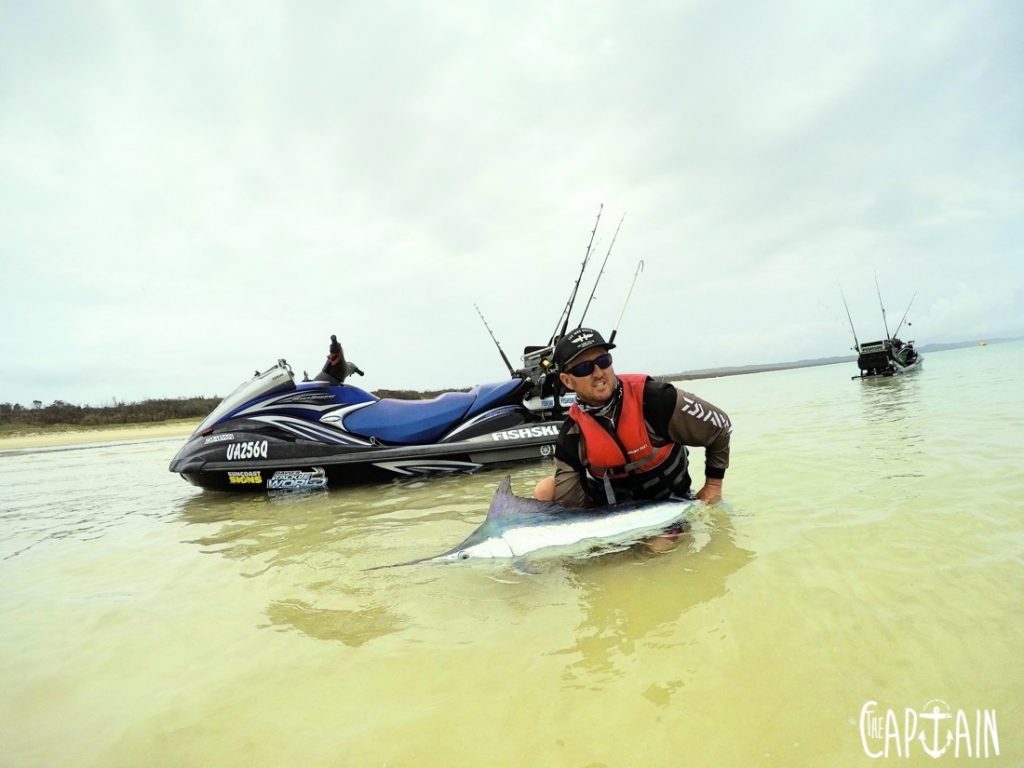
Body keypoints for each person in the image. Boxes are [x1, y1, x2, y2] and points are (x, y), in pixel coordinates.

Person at [533, 327, 731, 508]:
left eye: (603, 361)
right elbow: (571, 505)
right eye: (584, 368)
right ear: (567, 380)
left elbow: (721, 426)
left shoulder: (655, 399)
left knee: (658, 546)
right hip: (614, 506)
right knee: (546, 489)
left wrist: (713, 485)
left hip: (669, 501)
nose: (598, 373)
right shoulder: (572, 434)